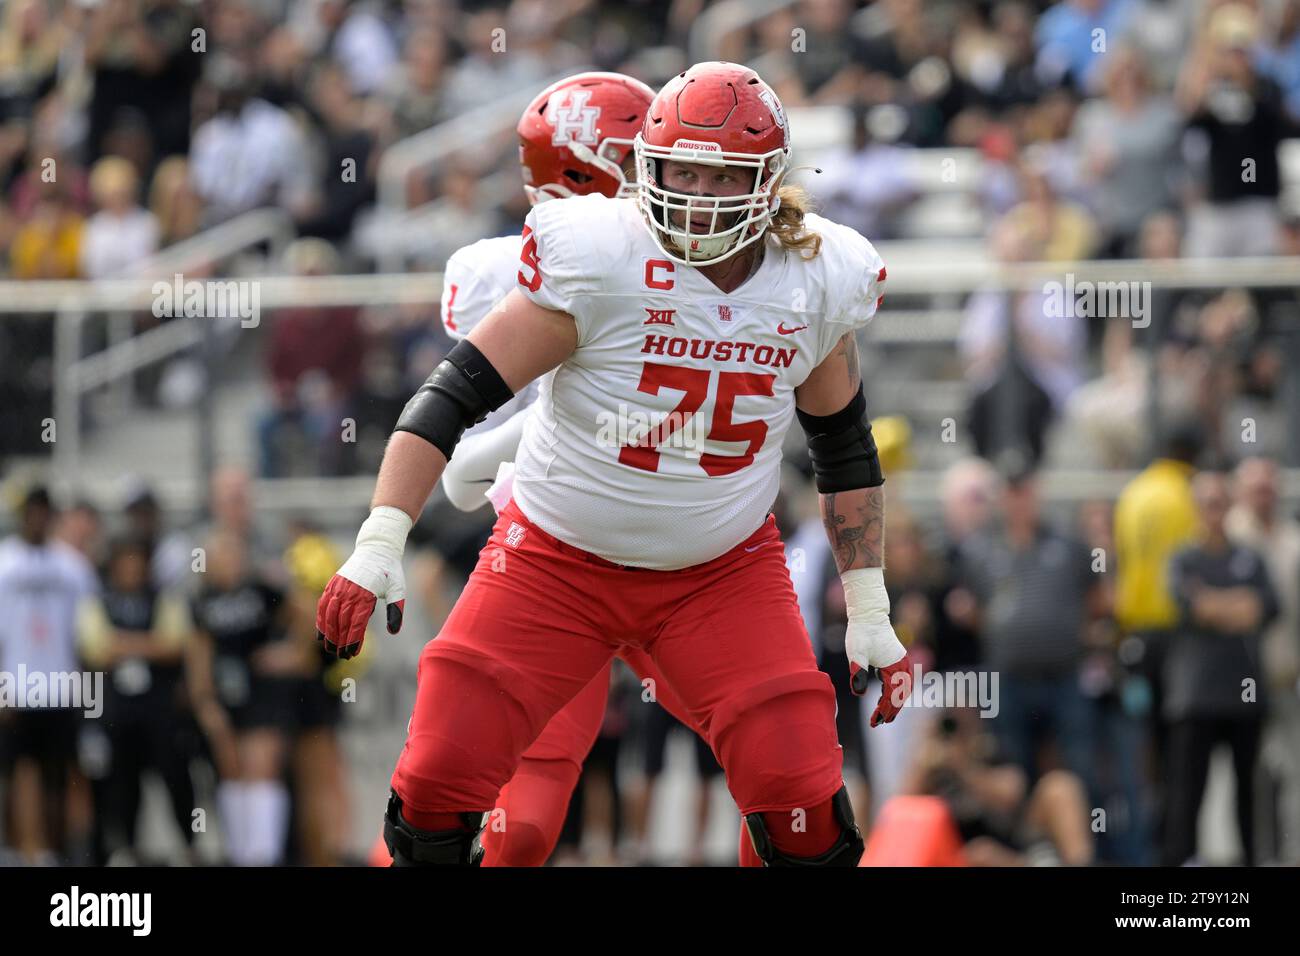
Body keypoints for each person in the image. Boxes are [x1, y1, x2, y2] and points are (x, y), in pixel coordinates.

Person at [316, 61, 914, 868]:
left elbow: (843, 446)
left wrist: (870, 608)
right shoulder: (602, 254)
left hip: (720, 570)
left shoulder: (815, 278)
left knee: (801, 798)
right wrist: (380, 539)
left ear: (766, 183)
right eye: (681, 170)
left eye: (720, 174)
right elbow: (448, 396)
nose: (697, 193)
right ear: (646, 168)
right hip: (555, 561)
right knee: (437, 785)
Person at [430, 71, 721, 867]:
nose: (688, 182)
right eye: (664, 162)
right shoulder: (515, 268)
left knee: (784, 752)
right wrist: (498, 450)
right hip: (560, 552)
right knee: (515, 821)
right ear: (591, 174)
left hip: (689, 553)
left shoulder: (719, 264)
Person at [1162, 471, 1279, 866]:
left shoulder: (1249, 556)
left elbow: (1264, 608)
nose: (1214, 511)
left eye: (1220, 502)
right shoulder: (1183, 557)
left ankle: (1251, 858)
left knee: (1248, 789)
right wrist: (1234, 606)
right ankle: (1183, 861)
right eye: (1207, 502)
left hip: (1244, 694)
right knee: (1188, 789)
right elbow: (1192, 606)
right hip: (1196, 694)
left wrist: (1215, 604)